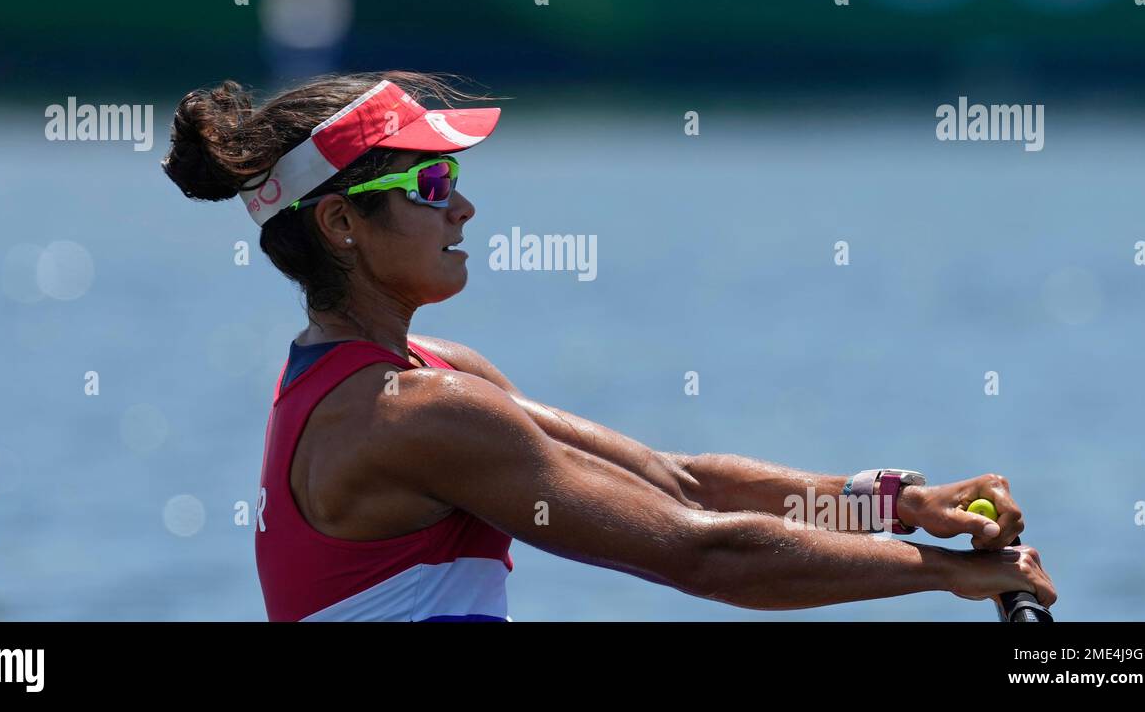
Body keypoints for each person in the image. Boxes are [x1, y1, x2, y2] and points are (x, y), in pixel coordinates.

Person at [162, 71, 1056, 622]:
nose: (463, 207)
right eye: (431, 182)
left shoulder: (433, 376)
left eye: (456, 178)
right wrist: (947, 575)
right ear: (339, 224)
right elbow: (699, 552)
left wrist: (901, 503)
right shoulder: (409, 416)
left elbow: (679, 484)